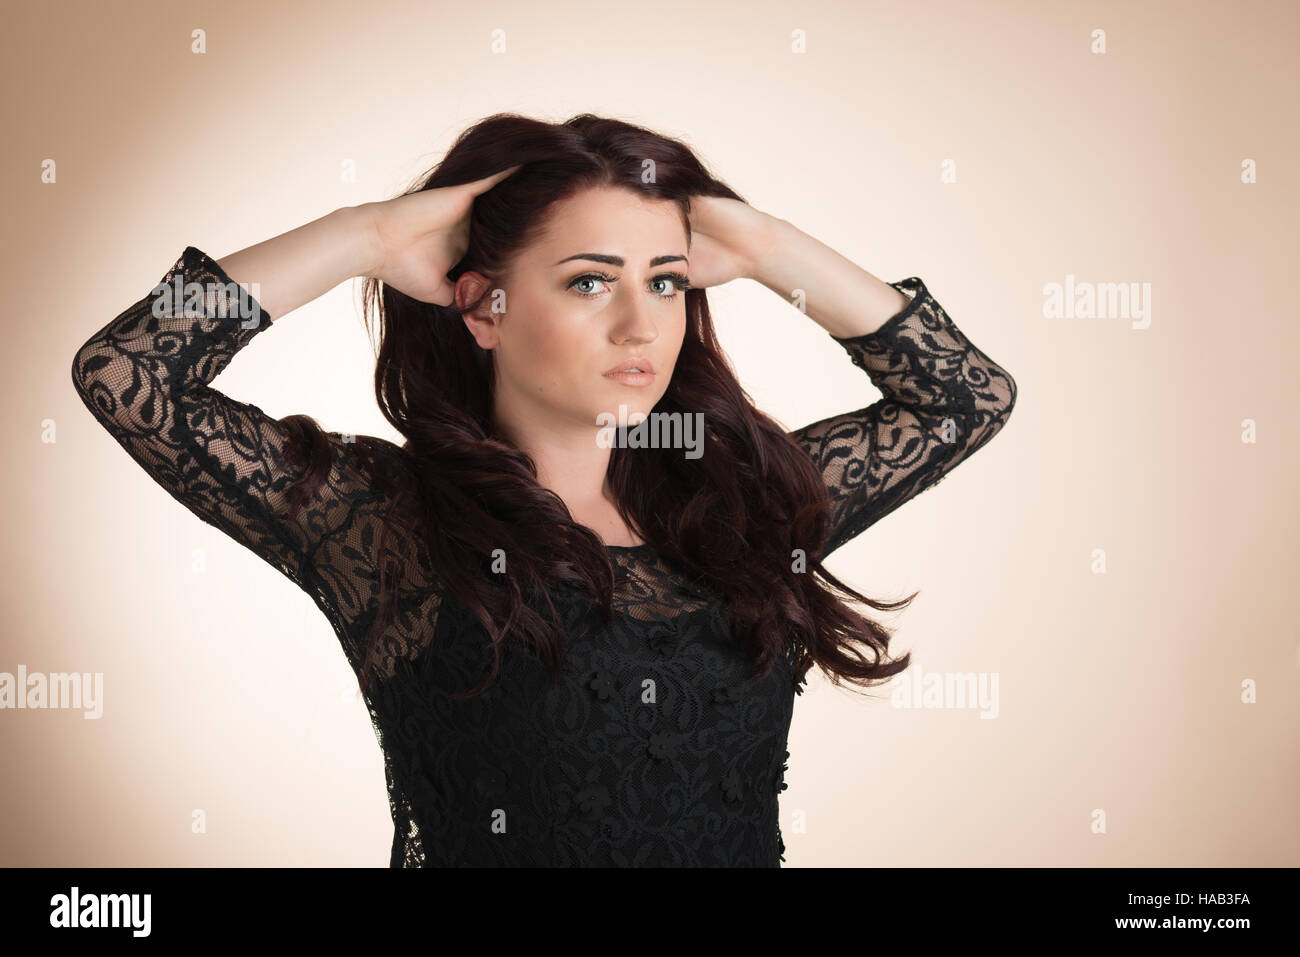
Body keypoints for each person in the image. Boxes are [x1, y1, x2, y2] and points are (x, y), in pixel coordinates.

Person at [70, 112, 1017, 867]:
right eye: (590, 284)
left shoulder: (740, 510)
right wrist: (367, 235)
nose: (642, 325)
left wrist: (765, 244)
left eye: (668, 281)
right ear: (486, 307)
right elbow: (129, 372)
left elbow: (966, 398)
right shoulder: (385, 518)